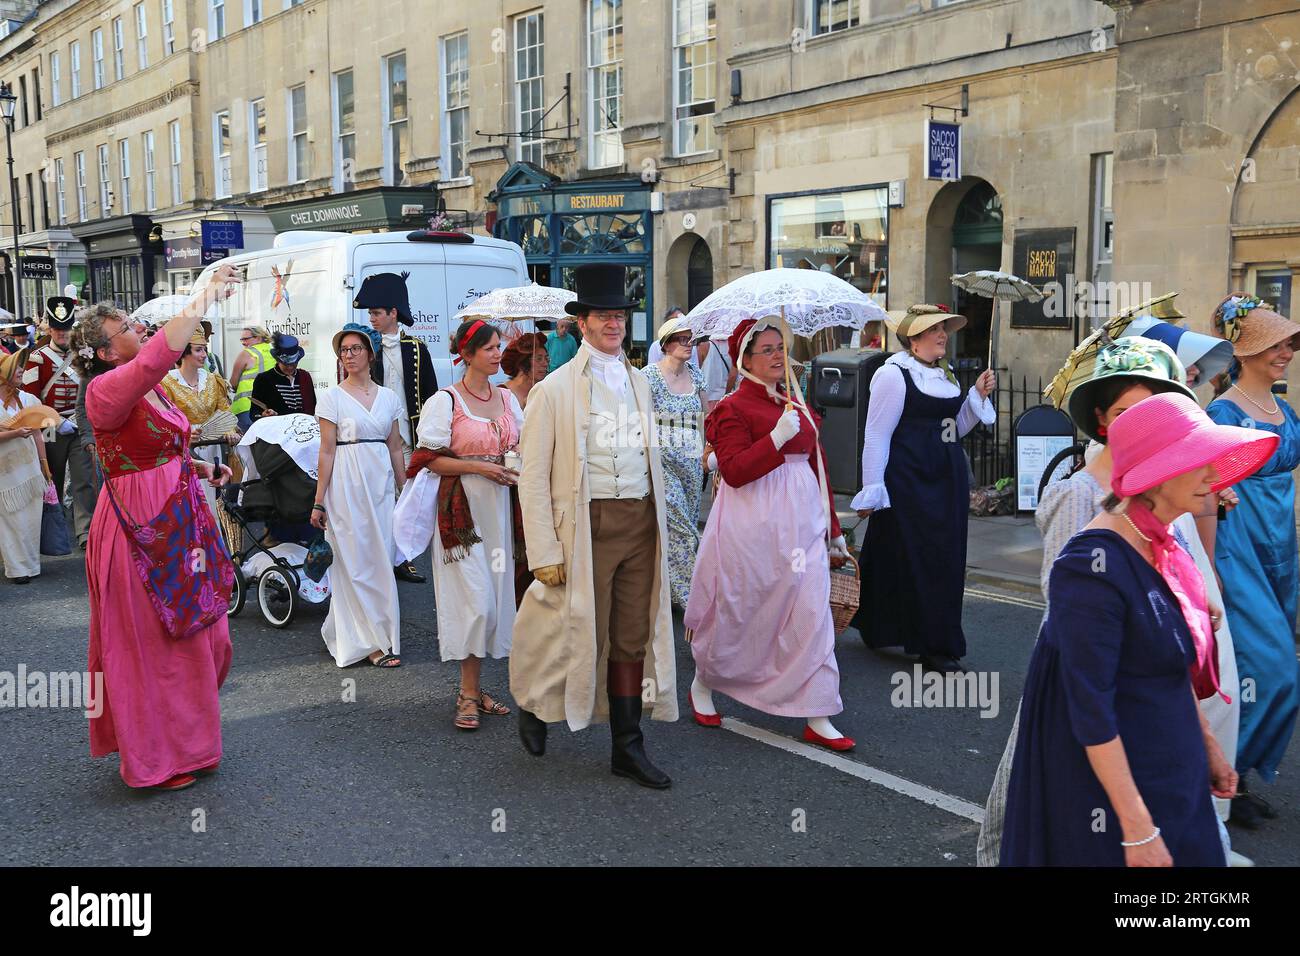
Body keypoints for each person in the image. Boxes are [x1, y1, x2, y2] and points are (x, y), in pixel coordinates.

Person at [976, 337, 1249, 864]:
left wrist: (1207, 747)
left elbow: (1167, 666)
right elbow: (1089, 700)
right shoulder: (1092, 563)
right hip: (1116, 788)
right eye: (1198, 462)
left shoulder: (1163, 542)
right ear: (1155, 469)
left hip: (1172, 770)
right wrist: (1137, 829)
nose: (1215, 476)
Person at [511, 262, 678, 787]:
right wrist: (543, 549)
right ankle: (536, 705)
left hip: (640, 522)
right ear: (581, 321)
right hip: (584, 523)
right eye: (604, 315)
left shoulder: (640, 384)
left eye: (620, 315)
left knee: (630, 637)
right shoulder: (553, 389)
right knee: (570, 626)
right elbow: (532, 476)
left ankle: (627, 747)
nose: (614, 323)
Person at [75, 271, 241, 792]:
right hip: (138, 529)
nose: (136, 326)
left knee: (201, 634)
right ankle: (157, 756)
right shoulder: (104, 391)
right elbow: (153, 362)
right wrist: (202, 297)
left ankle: (191, 744)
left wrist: (200, 468)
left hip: (180, 516)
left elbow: (165, 448)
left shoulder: (151, 391)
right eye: (124, 325)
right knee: (151, 644)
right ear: (104, 352)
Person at [684, 316, 853, 748]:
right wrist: (776, 439)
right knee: (742, 611)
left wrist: (833, 527)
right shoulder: (731, 409)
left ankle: (818, 710)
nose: (779, 355)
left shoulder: (795, 401)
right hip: (753, 524)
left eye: (782, 347)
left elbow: (819, 464)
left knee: (811, 611)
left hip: (803, 523)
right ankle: (705, 681)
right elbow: (736, 472)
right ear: (746, 360)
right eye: (769, 350)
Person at [852, 304, 995, 673]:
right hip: (908, 480)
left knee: (944, 558)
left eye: (944, 328)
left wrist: (976, 396)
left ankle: (891, 626)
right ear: (913, 339)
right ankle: (932, 646)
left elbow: (955, 428)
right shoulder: (893, 374)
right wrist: (873, 487)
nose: (943, 334)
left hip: (946, 478)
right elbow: (876, 434)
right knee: (913, 557)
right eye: (935, 329)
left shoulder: (946, 376)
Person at [1205, 293, 1300, 828]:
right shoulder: (1222, 411)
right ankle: (1222, 774)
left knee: (1260, 670)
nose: (1285, 352)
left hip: (1280, 548)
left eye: (1288, 343)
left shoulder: (1283, 407)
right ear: (1245, 351)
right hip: (1239, 546)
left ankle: (1233, 776)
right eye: (1274, 344)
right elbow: (1204, 483)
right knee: (1273, 670)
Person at [410, 320, 524, 729]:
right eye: (491, 348)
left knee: (495, 603)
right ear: (469, 353)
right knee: (475, 603)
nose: (498, 353)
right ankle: (468, 693)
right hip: (461, 514)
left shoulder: (509, 399)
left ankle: (476, 688)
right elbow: (428, 460)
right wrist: (479, 466)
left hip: (499, 509)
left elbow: (522, 445)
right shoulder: (446, 401)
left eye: (499, 346)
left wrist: (514, 466)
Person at [311, 323, 406, 669]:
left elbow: (396, 448)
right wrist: (319, 500)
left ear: (371, 353)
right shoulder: (332, 398)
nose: (348, 355)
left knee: (381, 559)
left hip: (379, 484)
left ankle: (364, 631)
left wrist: (404, 491)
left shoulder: (389, 398)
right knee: (354, 562)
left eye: (355, 349)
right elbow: (326, 452)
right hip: (345, 485)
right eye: (344, 350)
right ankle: (369, 642)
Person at [354, 271, 437, 585]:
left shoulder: (416, 349)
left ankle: (403, 558)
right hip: (375, 437)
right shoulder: (364, 347)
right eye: (371, 313)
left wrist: (429, 437)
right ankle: (376, 556)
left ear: (393, 313)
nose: (372, 318)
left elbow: (430, 395)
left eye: (376, 312)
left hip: (406, 437)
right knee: (377, 497)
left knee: (405, 500)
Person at [641, 312, 706, 608]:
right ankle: (692, 595)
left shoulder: (696, 372)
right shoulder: (649, 375)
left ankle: (666, 586)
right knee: (680, 523)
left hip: (692, 462)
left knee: (687, 520)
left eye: (691, 338)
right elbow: (639, 421)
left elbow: (704, 416)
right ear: (666, 344)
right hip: (661, 461)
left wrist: (707, 450)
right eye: (682, 339)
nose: (688, 343)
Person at [23, 296, 97, 550]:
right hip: (51, 429)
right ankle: (50, 533)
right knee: (50, 478)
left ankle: (85, 533)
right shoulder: (37, 358)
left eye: (65, 328)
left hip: (80, 426)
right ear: (49, 329)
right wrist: (52, 421)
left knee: (84, 480)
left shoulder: (86, 354)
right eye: (56, 328)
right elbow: (30, 399)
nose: (62, 333)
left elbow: (95, 388)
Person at [161, 330, 240, 518]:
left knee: (214, 495)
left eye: (205, 349)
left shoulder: (212, 379)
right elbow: (164, 420)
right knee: (188, 494)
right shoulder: (167, 383)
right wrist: (184, 432)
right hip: (183, 446)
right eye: (198, 350)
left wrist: (229, 430)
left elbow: (224, 410)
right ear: (184, 354)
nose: (204, 355)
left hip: (213, 445)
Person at [0, 347, 51, 583]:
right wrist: (14, 433)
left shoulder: (29, 399)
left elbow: (38, 435)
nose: (21, 370)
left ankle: (31, 565)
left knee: (30, 519)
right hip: (5, 474)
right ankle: (17, 568)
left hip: (30, 471)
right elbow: (22, 432)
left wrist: (44, 465)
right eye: (15, 367)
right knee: (10, 521)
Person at [251, 333, 316, 417]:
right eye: (286, 364)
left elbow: (313, 407)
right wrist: (263, 414)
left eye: (294, 363)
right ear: (278, 360)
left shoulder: (305, 377)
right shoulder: (264, 379)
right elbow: (254, 413)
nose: (290, 367)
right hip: (277, 428)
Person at [228, 325, 273, 432]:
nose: (243, 342)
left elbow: (233, 383)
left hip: (246, 407)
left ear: (258, 337)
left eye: (246, 339)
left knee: (247, 445)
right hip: (270, 408)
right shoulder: (274, 353)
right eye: (241, 339)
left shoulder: (247, 354)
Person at [501, 330, 549, 411]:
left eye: (547, 358)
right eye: (539, 359)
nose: (545, 364)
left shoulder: (543, 390)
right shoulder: (503, 394)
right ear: (523, 363)